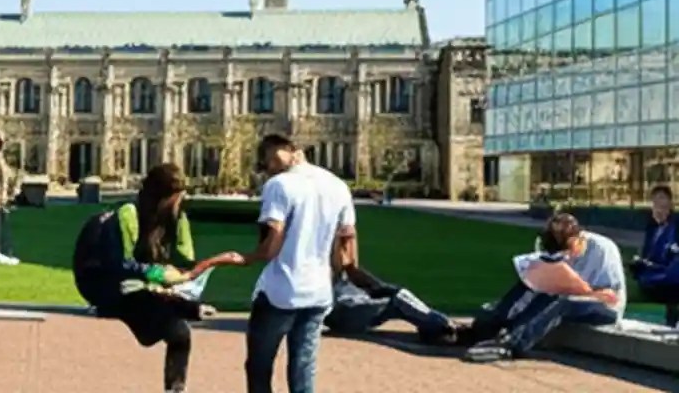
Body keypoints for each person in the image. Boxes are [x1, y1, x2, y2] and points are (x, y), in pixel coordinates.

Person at [72, 163, 224, 393]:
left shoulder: (177, 219)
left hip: (142, 285)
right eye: (177, 197)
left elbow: (185, 262)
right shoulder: (128, 214)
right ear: (164, 196)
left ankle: (176, 386)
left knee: (177, 327)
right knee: (173, 325)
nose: (180, 203)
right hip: (106, 282)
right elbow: (120, 264)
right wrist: (159, 274)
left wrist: (189, 276)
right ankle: (179, 314)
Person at [238, 134, 355, 393]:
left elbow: (274, 238)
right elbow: (346, 242)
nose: (268, 164)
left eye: (270, 155)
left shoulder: (279, 185)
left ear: (293, 149)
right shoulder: (337, 185)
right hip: (318, 291)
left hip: (282, 289)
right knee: (303, 368)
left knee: (259, 364)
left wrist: (250, 257)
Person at [463, 213, 625, 363]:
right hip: (569, 296)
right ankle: (485, 328)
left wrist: (584, 290)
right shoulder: (554, 252)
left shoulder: (603, 248)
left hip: (604, 307)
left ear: (578, 239)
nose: (566, 257)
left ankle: (513, 345)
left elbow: (611, 297)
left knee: (562, 301)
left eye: (567, 251)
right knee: (528, 286)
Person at [324, 259, 457, 344]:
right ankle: (445, 326)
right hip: (347, 313)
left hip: (343, 314)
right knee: (399, 298)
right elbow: (366, 281)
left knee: (399, 303)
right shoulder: (335, 267)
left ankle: (434, 328)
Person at [631, 185, 679, 327]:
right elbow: (648, 254)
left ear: (670, 204)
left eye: (662, 201)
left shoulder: (675, 226)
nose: (659, 207)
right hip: (654, 271)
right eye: (655, 203)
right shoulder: (652, 228)